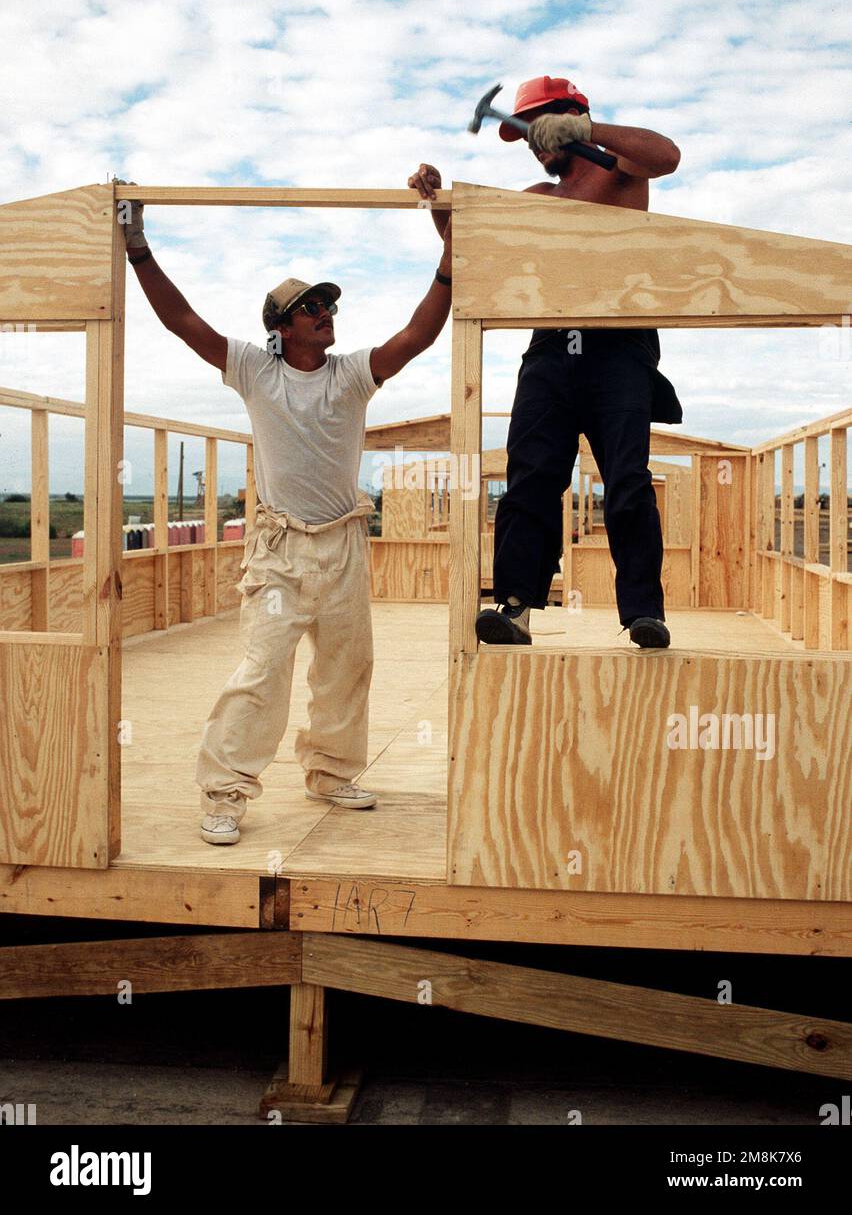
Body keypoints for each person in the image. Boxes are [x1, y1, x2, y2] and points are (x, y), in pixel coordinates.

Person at [114, 180, 453, 844]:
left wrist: (449, 255)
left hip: (343, 545)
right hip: (278, 550)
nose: (326, 312)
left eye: (327, 303)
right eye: (310, 307)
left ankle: (330, 772)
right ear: (281, 327)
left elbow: (418, 334)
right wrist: (137, 247)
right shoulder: (252, 370)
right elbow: (185, 323)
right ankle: (225, 792)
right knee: (262, 671)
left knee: (348, 666)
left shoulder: (352, 374)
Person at [408, 74, 682, 650]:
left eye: (537, 131)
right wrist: (436, 204)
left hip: (620, 345)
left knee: (627, 482)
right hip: (551, 348)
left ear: (567, 116)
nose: (533, 146)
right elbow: (473, 249)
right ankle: (514, 607)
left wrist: (588, 131)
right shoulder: (537, 200)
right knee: (531, 477)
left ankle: (642, 613)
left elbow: (668, 155)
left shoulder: (620, 172)